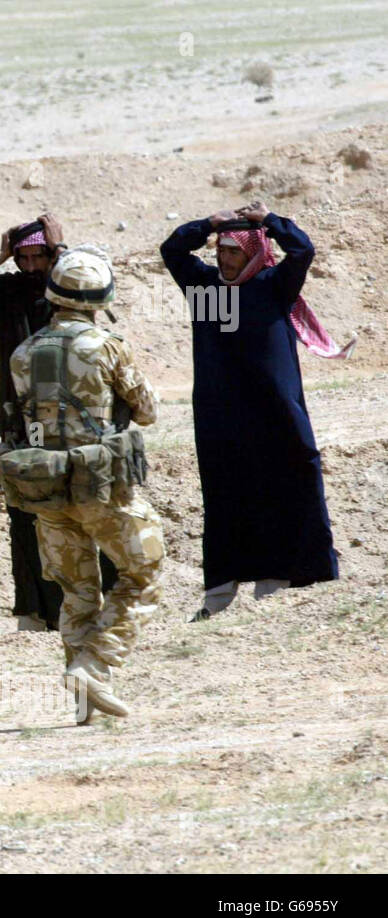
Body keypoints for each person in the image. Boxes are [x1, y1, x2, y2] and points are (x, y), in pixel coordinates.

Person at [160, 202, 343, 620]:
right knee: (226, 496)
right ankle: (219, 594)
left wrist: (269, 221)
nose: (224, 259)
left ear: (253, 253)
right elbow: (172, 251)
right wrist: (206, 224)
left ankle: (278, 582)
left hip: (274, 414)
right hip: (220, 418)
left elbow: (302, 250)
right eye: (220, 250)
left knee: (285, 486)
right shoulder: (205, 290)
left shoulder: (274, 286)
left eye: (234, 252)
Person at [5, 246, 163, 721]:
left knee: (75, 589)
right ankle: (95, 664)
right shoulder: (106, 345)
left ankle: (84, 698)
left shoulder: (23, 352)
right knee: (143, 571)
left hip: (47, 488)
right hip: (101, 485)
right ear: (100, 299)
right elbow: (147, 411)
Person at [0, 214, 116, 630]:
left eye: (37, 255)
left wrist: (61, 251)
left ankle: (110, 605)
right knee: (27, 515)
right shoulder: (5, 293)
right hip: (22, 423)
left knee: (93, 508)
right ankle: (35, 612)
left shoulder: (69, 292)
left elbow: (96, 287)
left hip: (78, 420)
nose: (29, 264)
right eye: (22, 257)